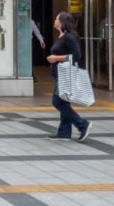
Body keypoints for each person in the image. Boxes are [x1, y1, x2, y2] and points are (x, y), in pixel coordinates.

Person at [46, 11, 92, 141]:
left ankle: (82, 124)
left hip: (64, 75)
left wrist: (56, 58)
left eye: (56, 19)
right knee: (64, 103)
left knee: (58, 102)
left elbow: (76, 56)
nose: (54, 21)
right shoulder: (62, 36)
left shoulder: (69, 37)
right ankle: (64, 132)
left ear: (62, 22)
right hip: (58, 74)